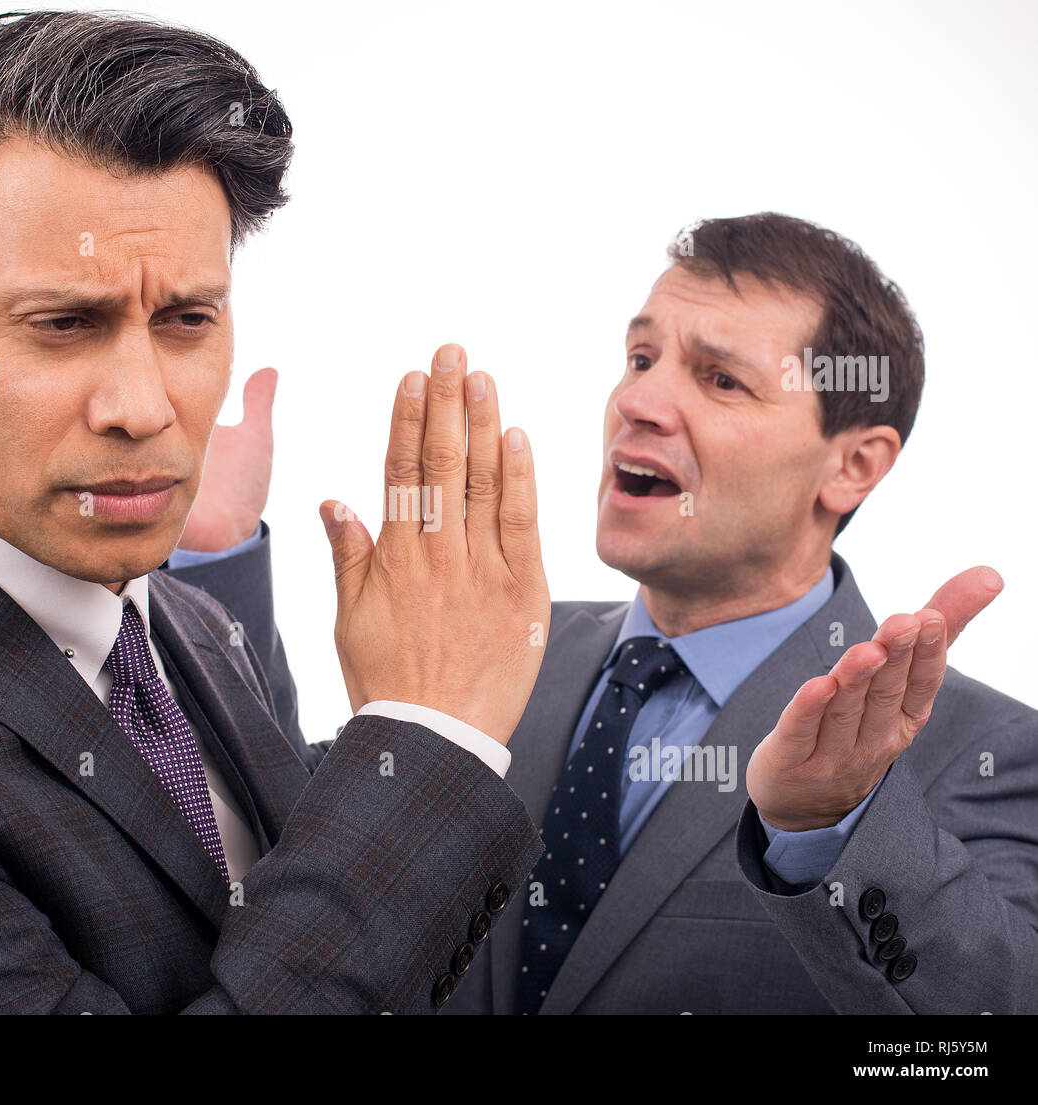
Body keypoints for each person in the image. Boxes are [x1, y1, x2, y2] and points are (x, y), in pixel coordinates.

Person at [0, 10, 552, 1014]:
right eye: (65, 323)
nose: (142, 407)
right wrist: (428, 736)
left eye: (186, 320)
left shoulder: (188, 625)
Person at [182, 213, 1038, 1014]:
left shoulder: (979, 749)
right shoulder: (497, 650)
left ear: (851, 465)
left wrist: (827, 826)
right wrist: (209, 563)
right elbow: (295, 846)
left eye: (720, 378)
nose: (641, 402)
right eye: (640, 359)